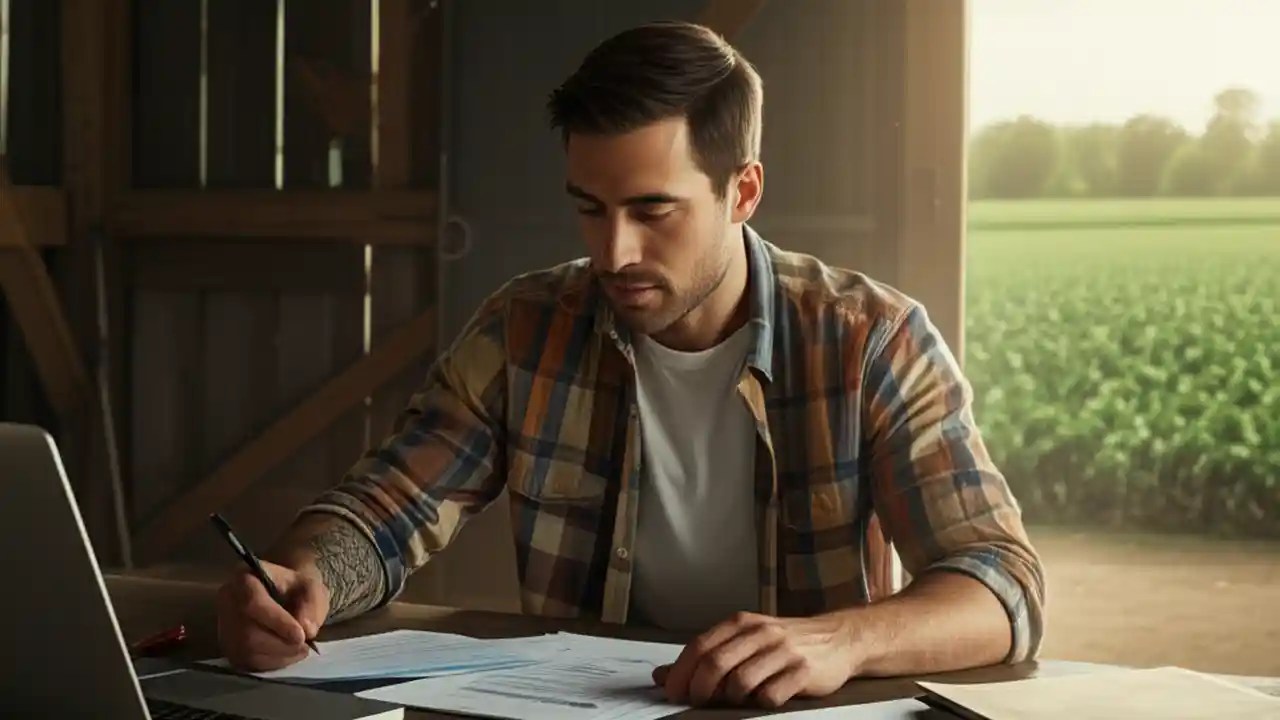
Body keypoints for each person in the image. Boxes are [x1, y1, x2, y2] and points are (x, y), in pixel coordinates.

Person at [215, 20, 1045, 709]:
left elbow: (1002, 585)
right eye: (589, 208)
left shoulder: (872, 340)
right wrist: (306, 576)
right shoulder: (526, 327)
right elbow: (383, 512)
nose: (615, 252)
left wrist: (842, 640)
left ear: (743, 192)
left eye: (654, 210)